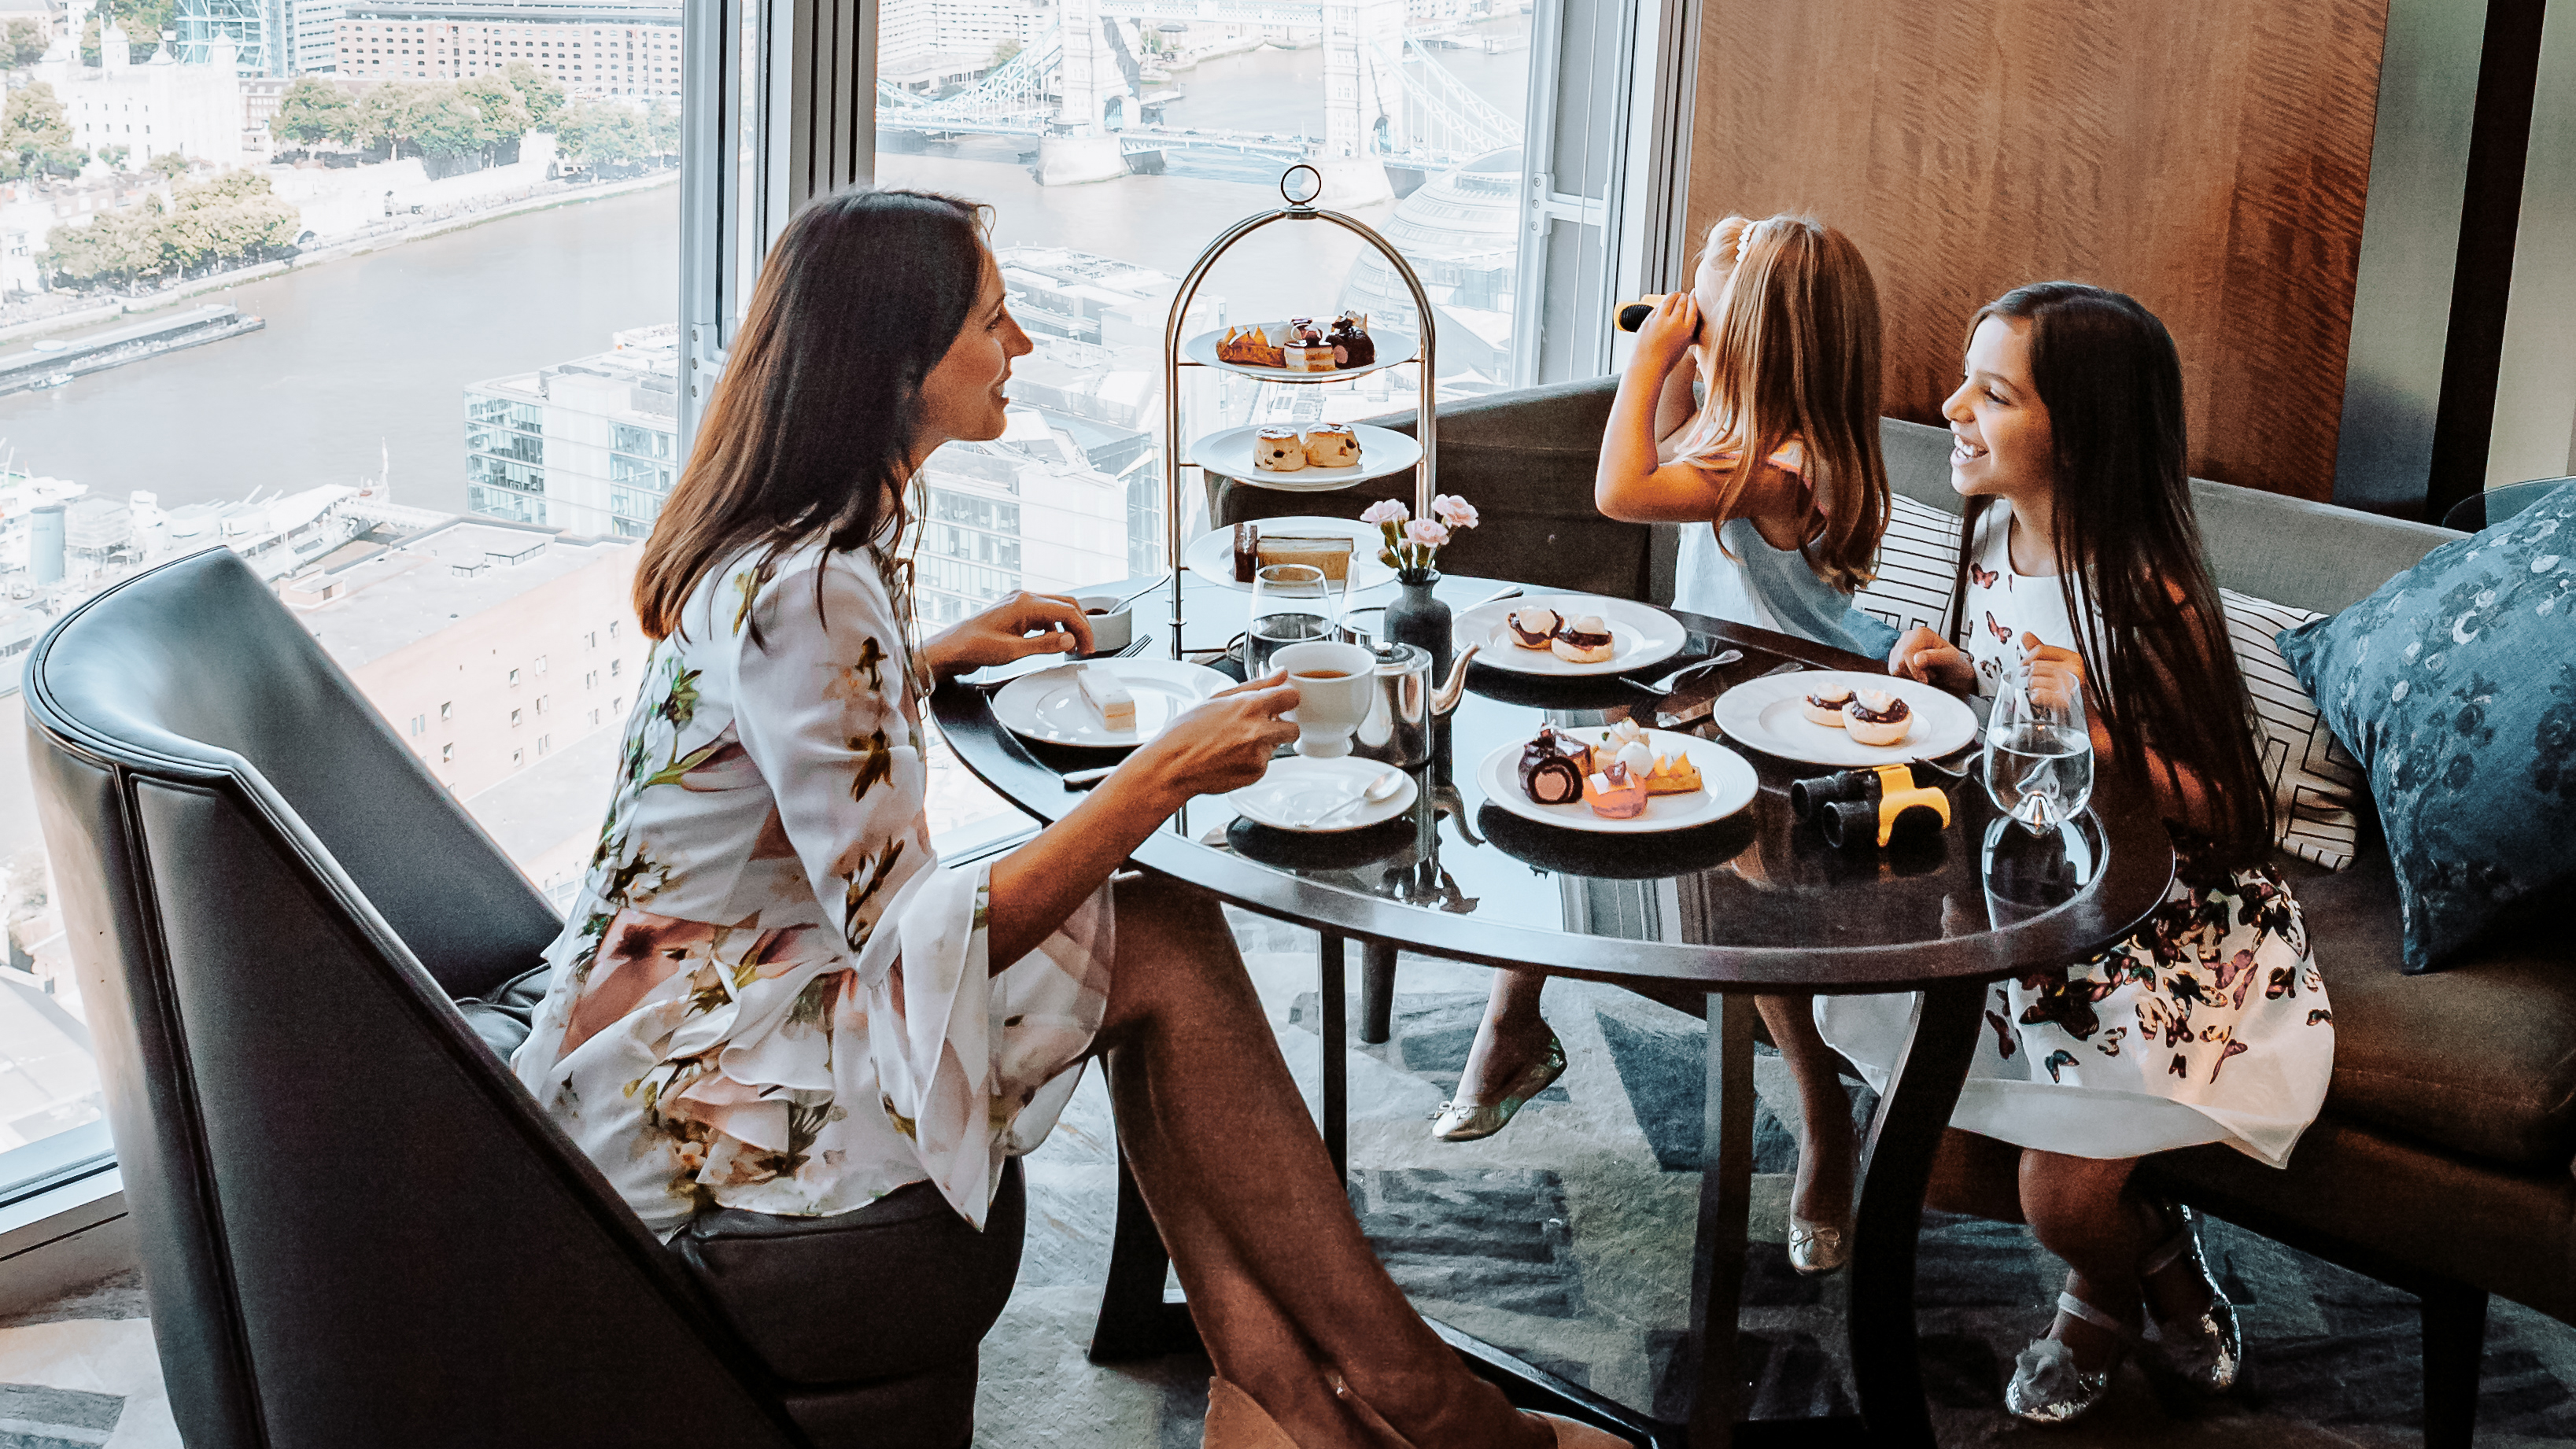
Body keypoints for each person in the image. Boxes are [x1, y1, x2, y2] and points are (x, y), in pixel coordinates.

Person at [507, 187, 1624, 1449]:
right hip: (714, 1073)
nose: (1021, 348)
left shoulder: (779, 547)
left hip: (678, 1009)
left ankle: (1288, 1401)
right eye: (995, 320)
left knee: (1156, 936)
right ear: (894, 364)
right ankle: (1421, 1406)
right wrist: (1158, 774)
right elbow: (911, 935)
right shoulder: (816, 586)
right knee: (1159, 938)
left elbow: (767, 747)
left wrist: (921, 661)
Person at [1821, 282, 2333, 1423]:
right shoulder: (1987, 532)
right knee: (1923, 1136)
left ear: (2083, 433)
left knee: (2056, 1197)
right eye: (1967, 377)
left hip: (2158, 915)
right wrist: (1961, 682)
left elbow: (2230, 812)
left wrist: (2103, 746)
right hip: (2027, 881)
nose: (1951, 405)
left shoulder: (2143, 595)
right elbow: (2010, 695)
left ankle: (2103, 1288)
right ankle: (2151, 1262)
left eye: (1991, 393)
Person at [1435, 215, 1895, 1284]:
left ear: (1767, 345)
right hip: (1707, 702)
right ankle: (1511, 1022)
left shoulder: (1782, 468)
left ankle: (1824, 1122)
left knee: (1752, 925)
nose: (1695, 331)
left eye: (1716, 320)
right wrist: (1689, 343)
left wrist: (1643, 362)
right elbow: (1676, 438)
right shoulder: (1745, 436)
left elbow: (1619, 491)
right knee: (1561, 804)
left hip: (1786, 736)